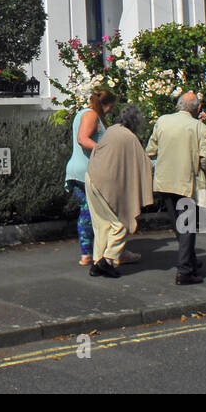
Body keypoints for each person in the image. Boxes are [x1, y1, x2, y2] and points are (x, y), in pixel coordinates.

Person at [146, 91, 206, 285]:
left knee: (179, 224)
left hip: (164, 181)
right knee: (187, 226)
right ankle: (184, 271)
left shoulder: (163, 121)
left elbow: (151, 150)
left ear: (178, 105)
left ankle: (190, 260)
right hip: (187, 183)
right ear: (197, 108)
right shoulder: (200, 128)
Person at [85, 104, 154, 278]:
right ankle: (107, 260)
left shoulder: (112, 130)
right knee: (122, 223)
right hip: (106, 183)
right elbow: (144, 163)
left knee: (102, 224)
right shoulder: (130, 138)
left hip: (92, 178)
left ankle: (97, 263)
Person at [64, 90, 114, 266]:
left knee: (87, 210)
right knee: (96, 211)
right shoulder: (91, 115)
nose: (109, 112)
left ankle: (88, 252)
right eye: (110, 108)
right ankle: (106, 252)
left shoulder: (82, 114)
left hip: (77, 171)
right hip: (86, 172)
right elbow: (83, 139)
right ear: (106, 105)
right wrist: (105, 151)